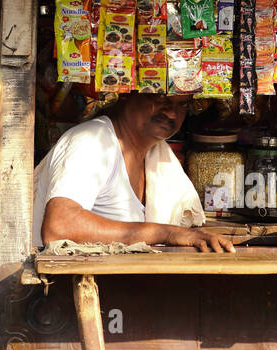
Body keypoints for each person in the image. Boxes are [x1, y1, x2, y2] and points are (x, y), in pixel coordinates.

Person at [32, 92, 235, 253]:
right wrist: (165, 233)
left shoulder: (156, 156)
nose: (172, 113)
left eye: (182, 104)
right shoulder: (93, 140)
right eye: (160, 97)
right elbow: (58, 227)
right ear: (127, 93)